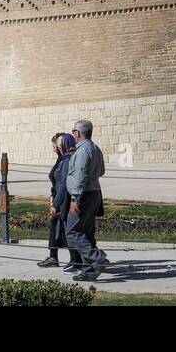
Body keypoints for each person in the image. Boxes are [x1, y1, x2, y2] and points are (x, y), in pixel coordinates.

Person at [64, 119, 108, 282]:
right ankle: (89, 269)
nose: (73, 134)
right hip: (94, 193)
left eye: (74, 131)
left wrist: (75, 199)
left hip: (83, 196)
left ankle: (97, 258)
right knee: (86, 233)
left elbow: (80, 175)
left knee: (72, 232)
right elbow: (101, 171)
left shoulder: (82, 151)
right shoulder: (95, 149)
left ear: (78, 133)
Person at [38, 133, 83, 272]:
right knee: (57, 228)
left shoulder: (67, 160)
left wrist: (56, 203)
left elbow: (63, 183)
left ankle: (77, 261)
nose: (55, 149)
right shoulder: (62, 159)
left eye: (56, 146)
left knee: (66, 230)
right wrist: (53, 195)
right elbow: (56, 181)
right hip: (58, 198)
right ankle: (57, 257)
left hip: (64, 200)